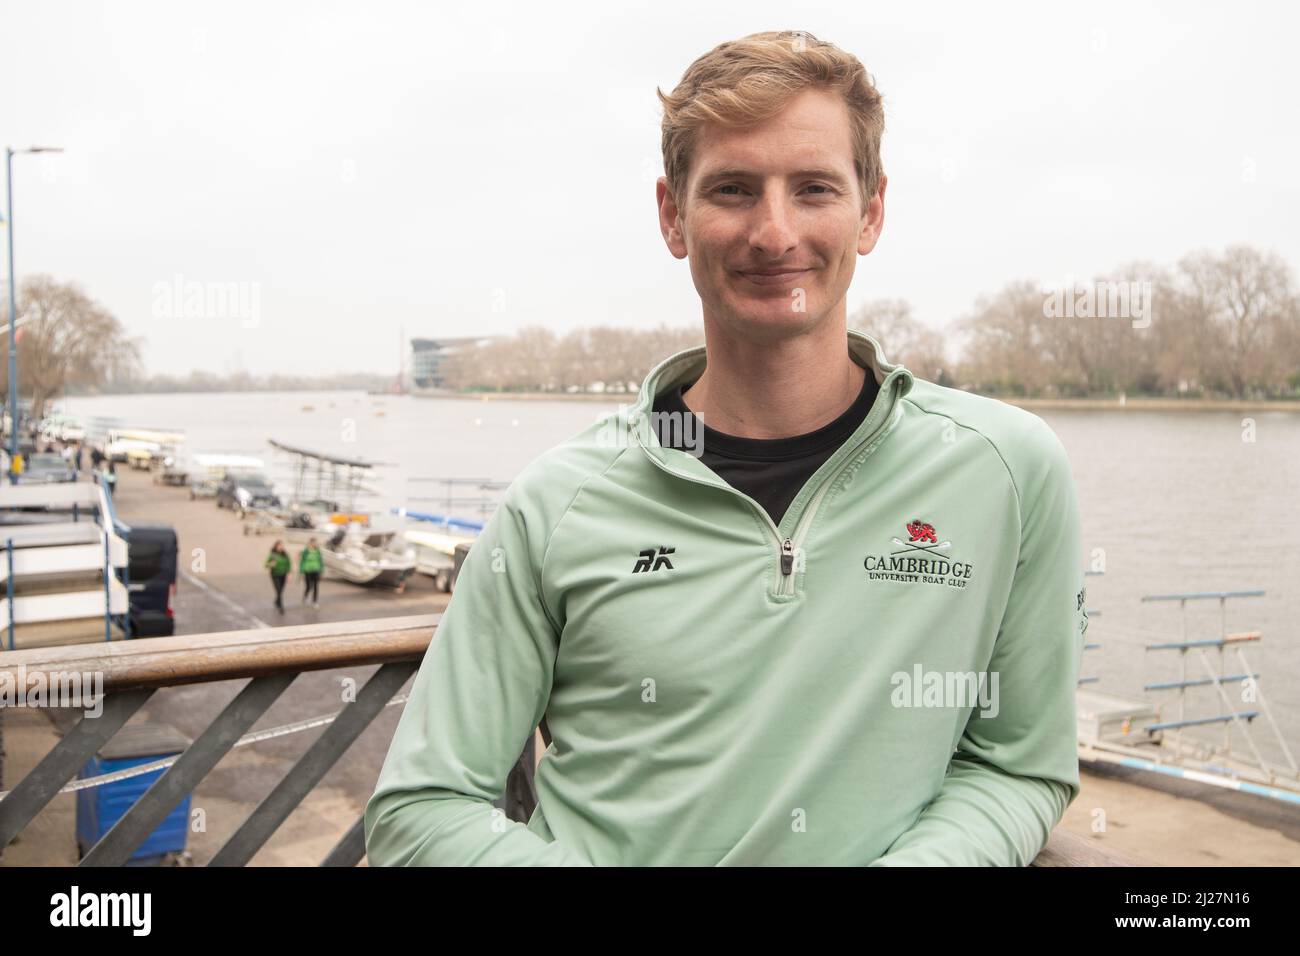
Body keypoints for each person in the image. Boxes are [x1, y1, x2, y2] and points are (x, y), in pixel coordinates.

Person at [365, 30, 1086, 867]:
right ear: (673, 216)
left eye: (814, 188)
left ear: (872, 212)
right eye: (734, 190)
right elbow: (421, 809)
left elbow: (1017, 765)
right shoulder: (555, 503)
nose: (774, 233)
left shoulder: (1005, 470)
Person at [264, 541, 290, 613]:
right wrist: (271, 564)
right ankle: (281, 607)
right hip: (275, 575)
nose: (281, 547)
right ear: (276, 547)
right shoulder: (272, 555)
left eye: (282, 546)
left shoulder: (285, 554)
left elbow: (288, 564)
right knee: (278, 590)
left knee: (281, 590)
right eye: (279, 546)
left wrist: (288, 574)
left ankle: (276, 601)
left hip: (283, 574)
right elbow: (266, 564)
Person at [299, 537, 323, 608]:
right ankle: (305, 596)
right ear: (310, 543)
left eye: (315, 542)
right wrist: (301, 571)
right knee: (309, 586)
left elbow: (321, 561)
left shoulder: (318, 551)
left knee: (316, 586)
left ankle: (314, 601)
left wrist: (321, 570)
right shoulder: (306, 551)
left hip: (316, 570)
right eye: (313, 542)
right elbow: (302, 561)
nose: (315, 544)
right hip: (308, 570)